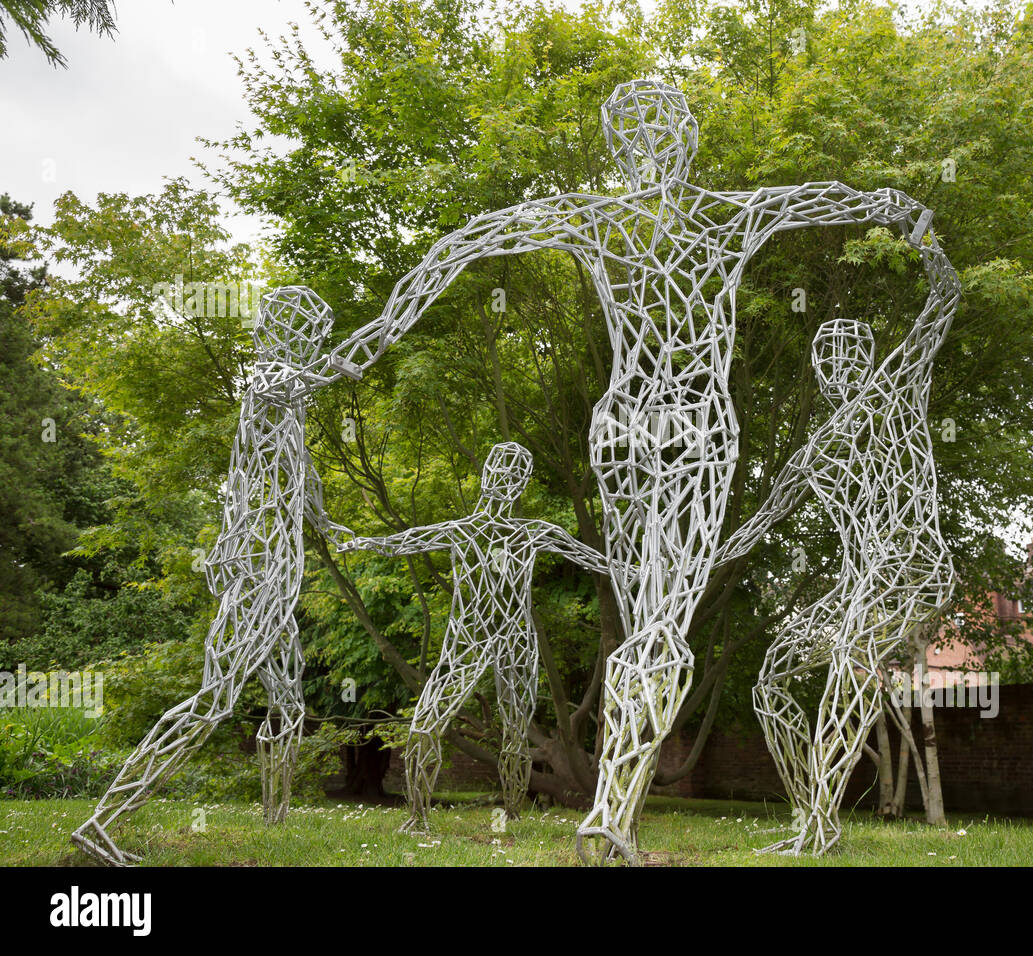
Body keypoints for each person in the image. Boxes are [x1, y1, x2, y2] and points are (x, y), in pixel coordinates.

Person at [318, 79, 959, 862]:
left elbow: (822, 198)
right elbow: (473, 240)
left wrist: (895, 208)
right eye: (631, 132)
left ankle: (613, 818)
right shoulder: (604, 218)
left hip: (691, 433)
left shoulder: (730, 214)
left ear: (687, 136)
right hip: (627, 431)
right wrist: (367, 340)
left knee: (658, 627)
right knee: (651, 623)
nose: (648, 143)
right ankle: (613, 816)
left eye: (662, 127)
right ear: (618, 147)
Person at [71, 287, 353, 866]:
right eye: (305, 332)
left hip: (275, 572)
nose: (311, 343)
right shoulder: (271, 381)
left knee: (289, 700)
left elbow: (303, 478)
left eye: (316, 334)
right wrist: (356, 350)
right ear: (276, 333)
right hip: (257, 569)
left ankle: (277, 814)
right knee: (214, 699)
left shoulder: (288, 409)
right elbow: (317, 376)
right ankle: (101, 824)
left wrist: (332, 526)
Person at [714, 296, 957, 854]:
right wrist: (694, 564)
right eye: (830, 357)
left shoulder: (896, 391)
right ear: (819, 368)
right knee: (771, 682)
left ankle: (820, 828)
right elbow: (760, 522)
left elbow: (940, 304)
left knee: (847, 660)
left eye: (853, 355)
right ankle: (811, 815)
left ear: (870, 360)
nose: (841, 366)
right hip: (859, 583)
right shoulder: (816, 451)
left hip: (908, 565)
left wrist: (925, 246)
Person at [338, 442, 608, 830]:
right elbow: (403, 542)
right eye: (500, 471)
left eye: (514, 476)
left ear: (522, 485)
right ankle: (417, 817)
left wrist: (643, 571)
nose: (505, 480)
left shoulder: (533, 534)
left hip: (516, 640)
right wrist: (360, 542)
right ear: (486, 476)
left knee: (515, 732)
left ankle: (513, 814)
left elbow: (592, 559)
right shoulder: (462, 531)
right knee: (426, 722)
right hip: (469, 639)